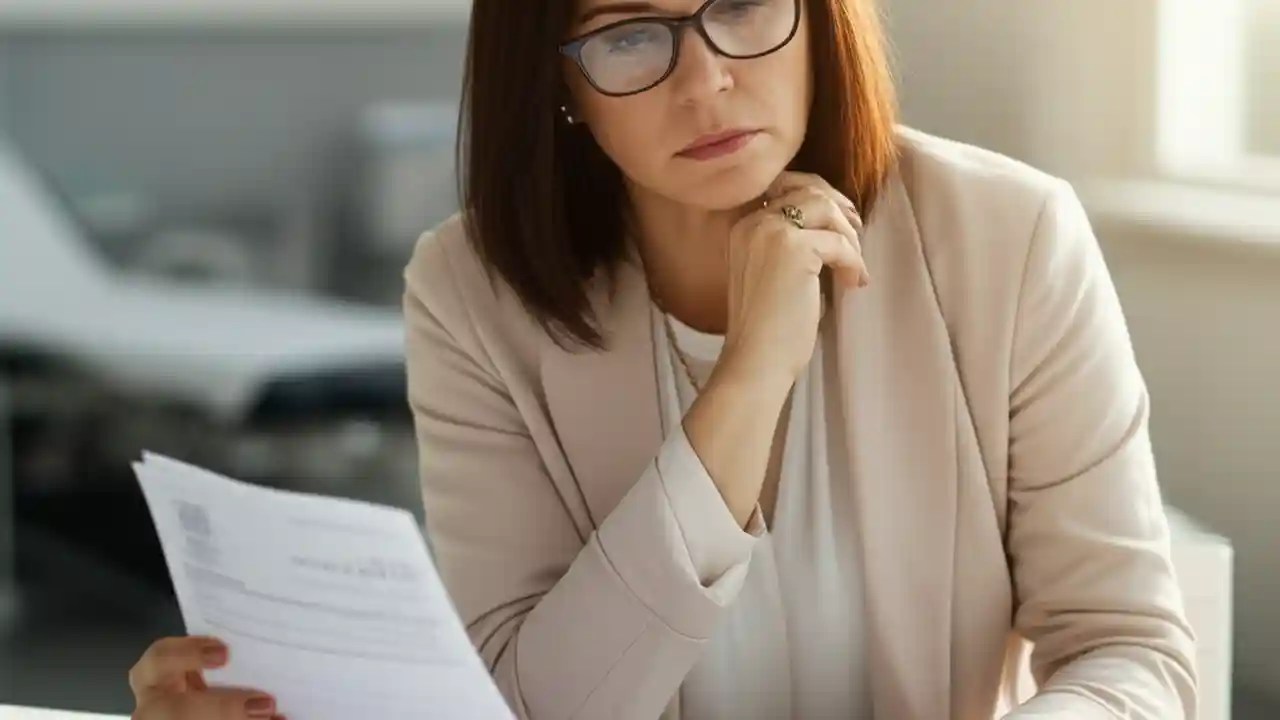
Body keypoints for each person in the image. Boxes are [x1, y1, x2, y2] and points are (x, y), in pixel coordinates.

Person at [128, 0, 1199, 717]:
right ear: (559, 83)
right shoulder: (470, 291)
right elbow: (529, 701)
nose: (706, 82)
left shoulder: (1007, 235)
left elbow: (1129, 651)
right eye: (629, 35)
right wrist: (751, 375)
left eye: (738, 4)